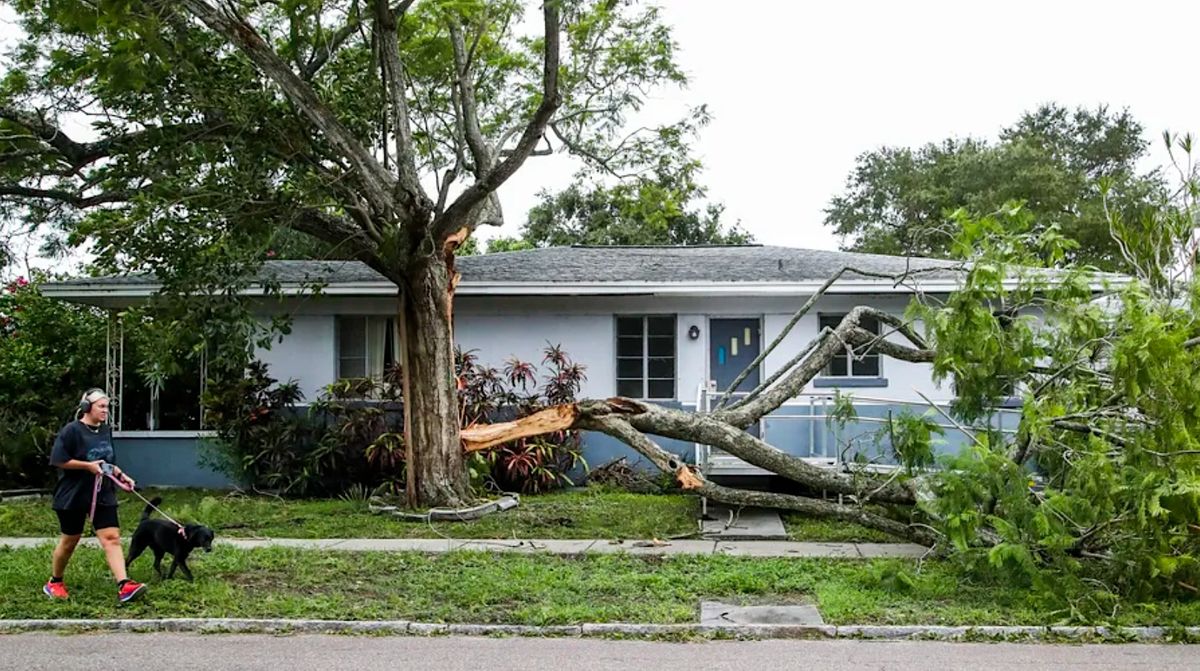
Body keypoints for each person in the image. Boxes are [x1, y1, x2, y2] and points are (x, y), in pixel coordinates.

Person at [43, 388, 147, 603]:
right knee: (70, 540)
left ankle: (124, 586)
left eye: (107, 407)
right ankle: (55, 582)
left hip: (102, 493)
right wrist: (87, 466)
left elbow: (106, 461)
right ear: (86, 408)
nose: (105, 411)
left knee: (112, 539)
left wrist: (119, 473)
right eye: (101, 406)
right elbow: (58, 460)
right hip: (74, 495)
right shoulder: (71, 431)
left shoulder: (105, 431)